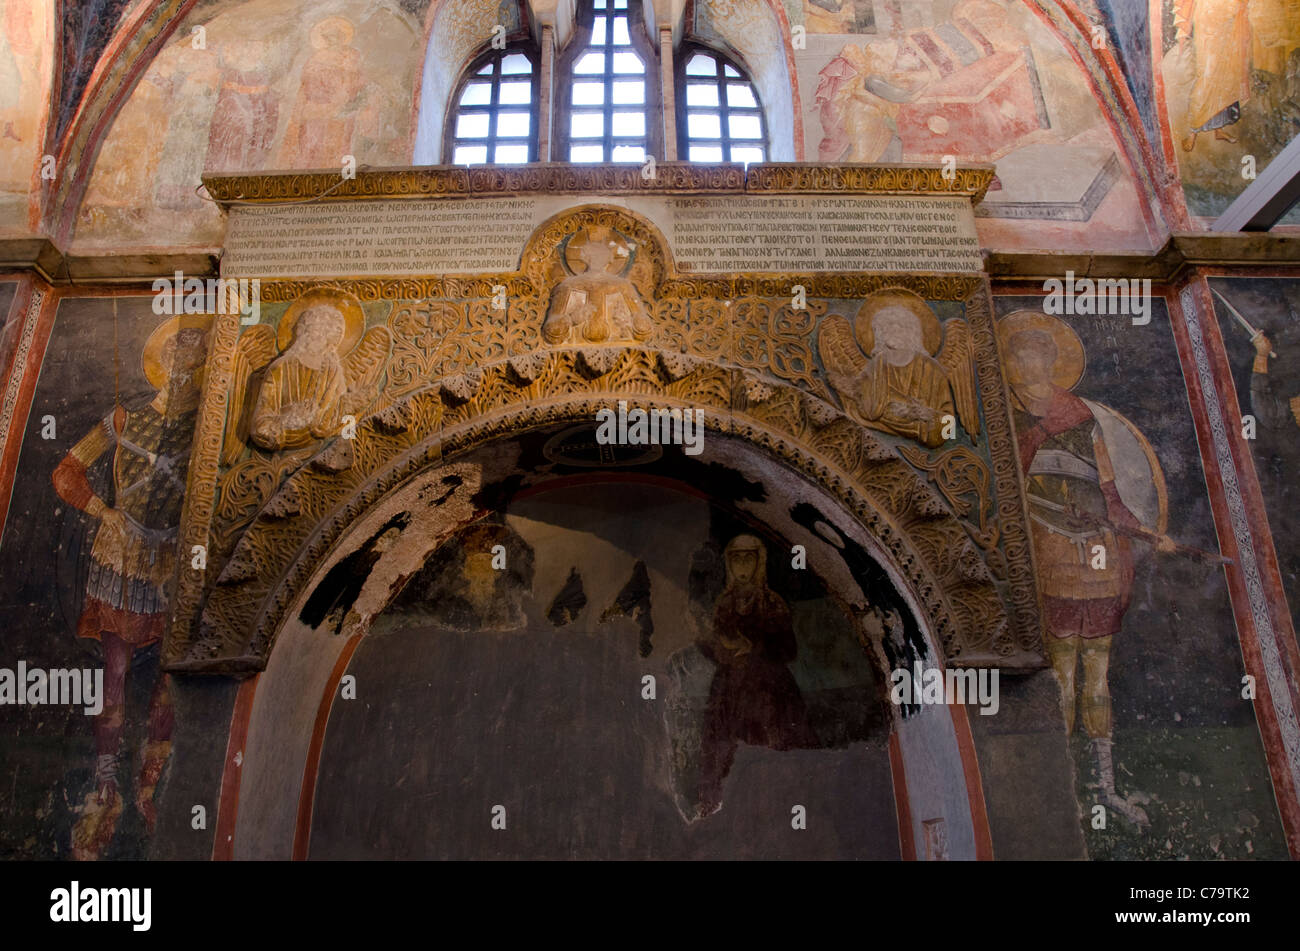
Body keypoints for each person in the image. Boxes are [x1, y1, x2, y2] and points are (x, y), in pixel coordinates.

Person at [1003, 322, 1176, 826]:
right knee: (1060, 671)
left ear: (1052, 361)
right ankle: (1065, 789)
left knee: (1097, 674)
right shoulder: (1008, 418)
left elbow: (1111, 496)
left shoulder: (1083, 419)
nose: (1031, 365)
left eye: (1039, 355)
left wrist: (1147, 534)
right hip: (1048, 544)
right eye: (1022, 357)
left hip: (1097, 552)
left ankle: (1106, 787)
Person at [52, 321, 209, 860]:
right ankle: (103, 785)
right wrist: (103, 512)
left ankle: (151, 781)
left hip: (174, 560)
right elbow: (67, 472)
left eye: (199, 363)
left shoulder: (205, 430)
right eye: (183, 360)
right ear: (165, 363)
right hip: (122, 558)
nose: (189, 372)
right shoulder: (122, 419)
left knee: (168, 683)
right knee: (114, 678)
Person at [695, 535, 818, 816]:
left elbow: (789, 649)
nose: (742, 564)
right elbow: (717, 647)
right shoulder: (724, 604)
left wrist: (755, 647)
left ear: (758, 561)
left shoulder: (771, 602)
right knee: (719, 745)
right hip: (731, 689)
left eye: (747, 557)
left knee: (775, 744)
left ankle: (781, 806)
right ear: (728, 563)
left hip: (769, 688)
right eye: (736, 558)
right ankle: (720, 805)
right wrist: (718, 646)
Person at [251, 304, 347, 450]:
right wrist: (288, 419)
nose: (318, 338)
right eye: (315, 330)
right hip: (283, 439)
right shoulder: (281, 367)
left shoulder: (333, 372)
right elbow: (261, 425)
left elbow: (341, 413)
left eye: (325, 333)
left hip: (322, 445)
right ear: (303, 332)